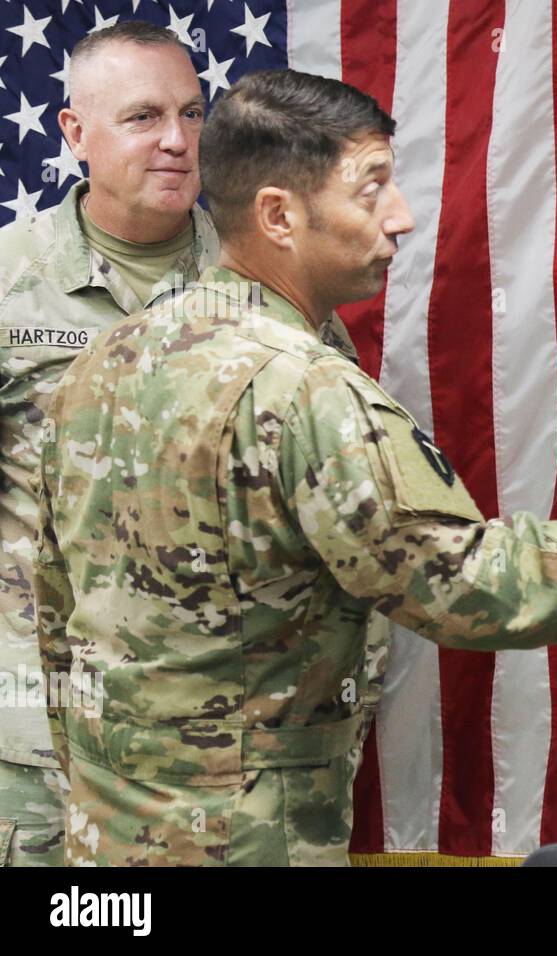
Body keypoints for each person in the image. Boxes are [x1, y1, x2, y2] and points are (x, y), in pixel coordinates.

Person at [33, 68, 557, 866]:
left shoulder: (105, 358)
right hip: (245, 840)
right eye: (371, 187)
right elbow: (470, 587)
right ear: (278, 215)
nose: (401, 216)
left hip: (104, 838)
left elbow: (56, 612)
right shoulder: (304, 388)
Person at [0, 21, 222, 867]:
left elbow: (339, 513)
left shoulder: (264, 284)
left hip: (218, 743)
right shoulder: (9, 282)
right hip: (38, 742)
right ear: (74, 131)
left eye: (192, 114)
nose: (176, 140)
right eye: (143, 117)